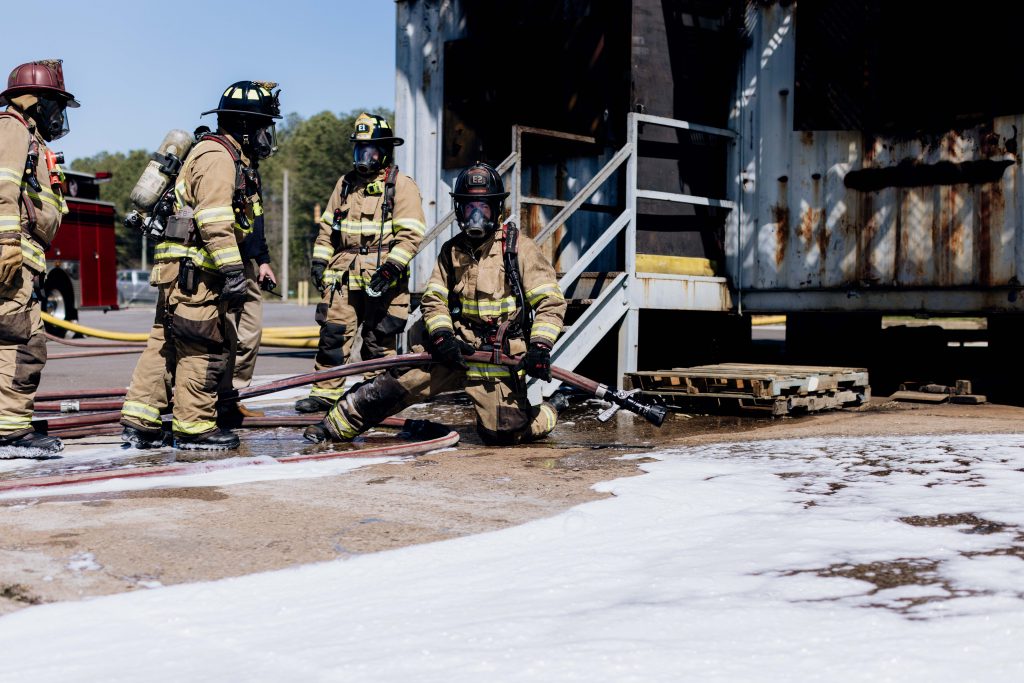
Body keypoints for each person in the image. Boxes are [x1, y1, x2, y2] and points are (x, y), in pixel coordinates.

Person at [303, 162, 567, 445]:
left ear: (497, 210)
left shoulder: (519, 249)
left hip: (497, 358)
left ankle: (548, 413)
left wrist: (540, 346)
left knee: (504, 433)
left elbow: (550, 301)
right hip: (453, 350)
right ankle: (333, 426)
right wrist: (442, 336)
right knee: (393, 385)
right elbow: (434, 299)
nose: (476, 216)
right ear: (459, 211)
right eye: (469, 208)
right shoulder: (450, 251)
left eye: (484, 208)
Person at [119, 81, 281, 450]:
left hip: (181, 271)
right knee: (200, 345)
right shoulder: (219, 158)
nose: (265, 136)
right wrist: (233, 271)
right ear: (243, 125)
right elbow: (214, 219)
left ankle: (141, 420)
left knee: (164, 342)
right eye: (261, 127)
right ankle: (194, 426)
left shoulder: (223, 156)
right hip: (197, 276)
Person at [294, 113, 426, 413]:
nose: (363, 158)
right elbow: (327, 229)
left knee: (378, 341)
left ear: (384, 153)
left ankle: (375, 397)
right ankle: (325, 393)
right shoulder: (344, 184)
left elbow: (411, 234)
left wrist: (392, 267)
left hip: (383, 279)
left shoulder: (401, 186)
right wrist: (319, 263)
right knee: (332, 336)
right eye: (359, 151)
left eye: (370, 151)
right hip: (342, 277)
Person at [0, 60, 78, 456]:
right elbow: (3, 188)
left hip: (24, 254)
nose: (57, 116)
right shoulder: (12, 128)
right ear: (34, 103)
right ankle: (10, 432)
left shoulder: (24, 135)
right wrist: (9, 244)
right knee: (22, 342)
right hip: (12, 254)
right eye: (54, 105)